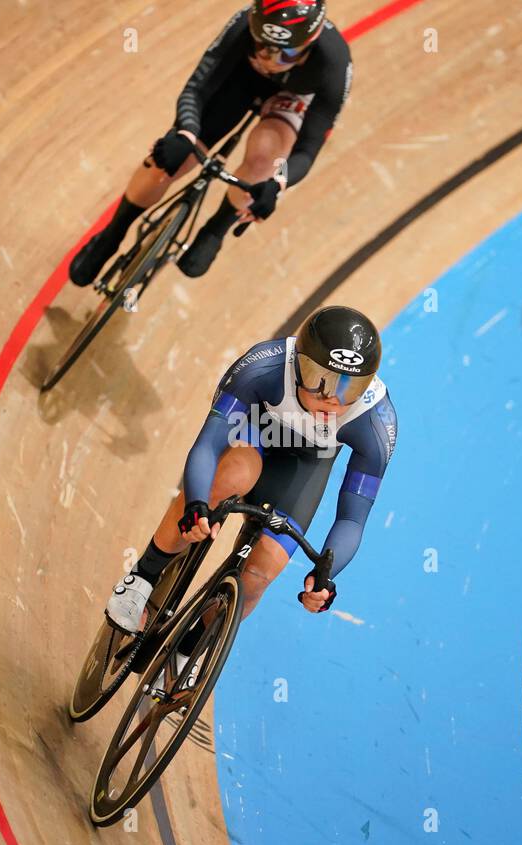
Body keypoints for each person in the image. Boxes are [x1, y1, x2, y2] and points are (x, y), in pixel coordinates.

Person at [105, 305, 396, 651]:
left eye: (350, 387)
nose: (332, 398)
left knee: (260, 575)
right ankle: (142, 577)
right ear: (297, 365)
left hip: (302, 471)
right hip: (254, 436)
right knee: (232, 477)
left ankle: (189, 650)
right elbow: (208, 446)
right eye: (321, 380)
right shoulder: (265, 366)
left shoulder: (376, 421)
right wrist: (196, 504)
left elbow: (352, 518)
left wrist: (325, 575)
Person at [69, 0, 353, 285]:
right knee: (165, 164)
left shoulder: (334, 64)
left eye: (287, 53)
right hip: (243, 77)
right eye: (263, 46)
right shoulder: (242, 25)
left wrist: (278, 183)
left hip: (292, 95)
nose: (271, 60)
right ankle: (112, 234)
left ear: (310, 43)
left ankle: (216, 228)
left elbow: (307, 149)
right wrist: (186, 133)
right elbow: (196, 89)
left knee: (264, 159)